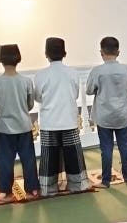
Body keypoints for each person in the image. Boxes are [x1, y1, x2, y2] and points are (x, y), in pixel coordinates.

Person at [34, 37, 90, 195]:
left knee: (49, 157)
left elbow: (38, 97)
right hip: (69, 119)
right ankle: (77, 185)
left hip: (49, 121)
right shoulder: (73, 73)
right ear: (64, 53)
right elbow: (75, 94)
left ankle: (48, 188)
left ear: (46, 54)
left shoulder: (40, 75)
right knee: (73, 155)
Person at [0, 44, 39, 200]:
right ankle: (32, 188)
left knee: (5, 160)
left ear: (0, 60)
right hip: (24, 125)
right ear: (19, 59)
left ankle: (5, 190)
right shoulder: (26, 81)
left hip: (4, 127)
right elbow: (30, 104)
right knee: (28, 159)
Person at [86, 37, 127, 188]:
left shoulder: (97, 71)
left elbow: (89, 90)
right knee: (125, 147)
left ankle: (106, 181)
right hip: (122, 114)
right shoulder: (125, 70)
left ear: (101, 52)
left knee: (106, 149)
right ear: (118, 52)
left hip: (104, 115)